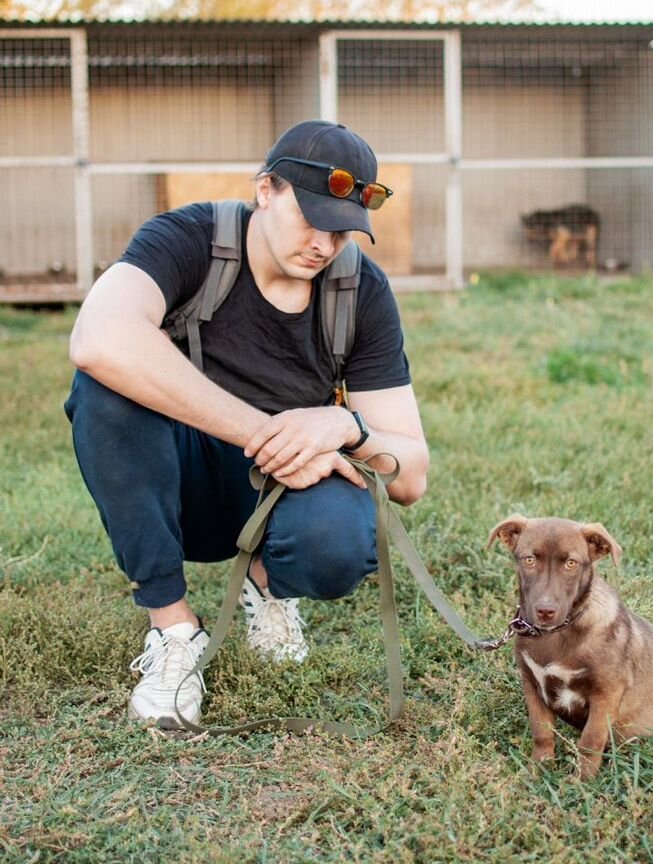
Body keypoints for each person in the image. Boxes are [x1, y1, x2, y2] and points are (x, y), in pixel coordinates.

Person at [64, 120, 429, 729]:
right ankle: (174, 630)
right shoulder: (188, 237)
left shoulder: (358, 289)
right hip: (174, 482)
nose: (325, 243)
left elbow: (411, 473)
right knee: (104, 388)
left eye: (343, 230)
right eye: (312, 217)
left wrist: (344, 430)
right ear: (266, 190)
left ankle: (270, 587)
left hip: (274, 491)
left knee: (338, 543)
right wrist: (266, 434)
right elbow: (98, 337)